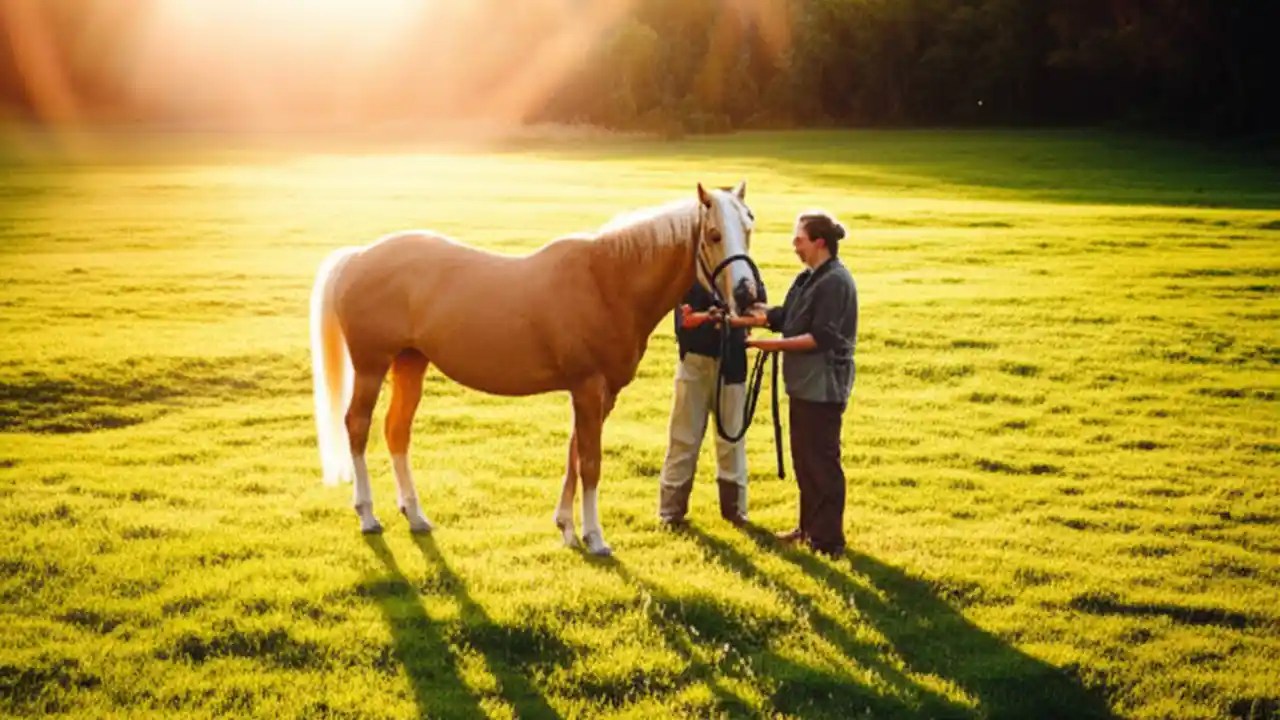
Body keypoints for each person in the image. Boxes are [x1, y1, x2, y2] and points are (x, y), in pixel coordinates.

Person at [738, 210, 858, 556]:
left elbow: (820, 337)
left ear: (819, 242)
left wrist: (769, 345)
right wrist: (742, 319)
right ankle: (808, 529)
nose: (794, 245)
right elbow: (783, 317)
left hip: (824, 386)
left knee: (822, 461)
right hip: (804, 385)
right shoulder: (808, 278)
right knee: (804, 461)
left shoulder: (835, 282)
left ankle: (829, 540)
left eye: (799, 239)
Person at [657, 281, 750, 526]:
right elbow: (683, 322)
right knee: (683, 436)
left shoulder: (743, 273)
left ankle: (734, 508)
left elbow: (756, 311)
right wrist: (712, 317)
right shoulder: (690, 279)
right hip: (695, 361)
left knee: (731, 437)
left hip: (732, 362)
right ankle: (671, 509)